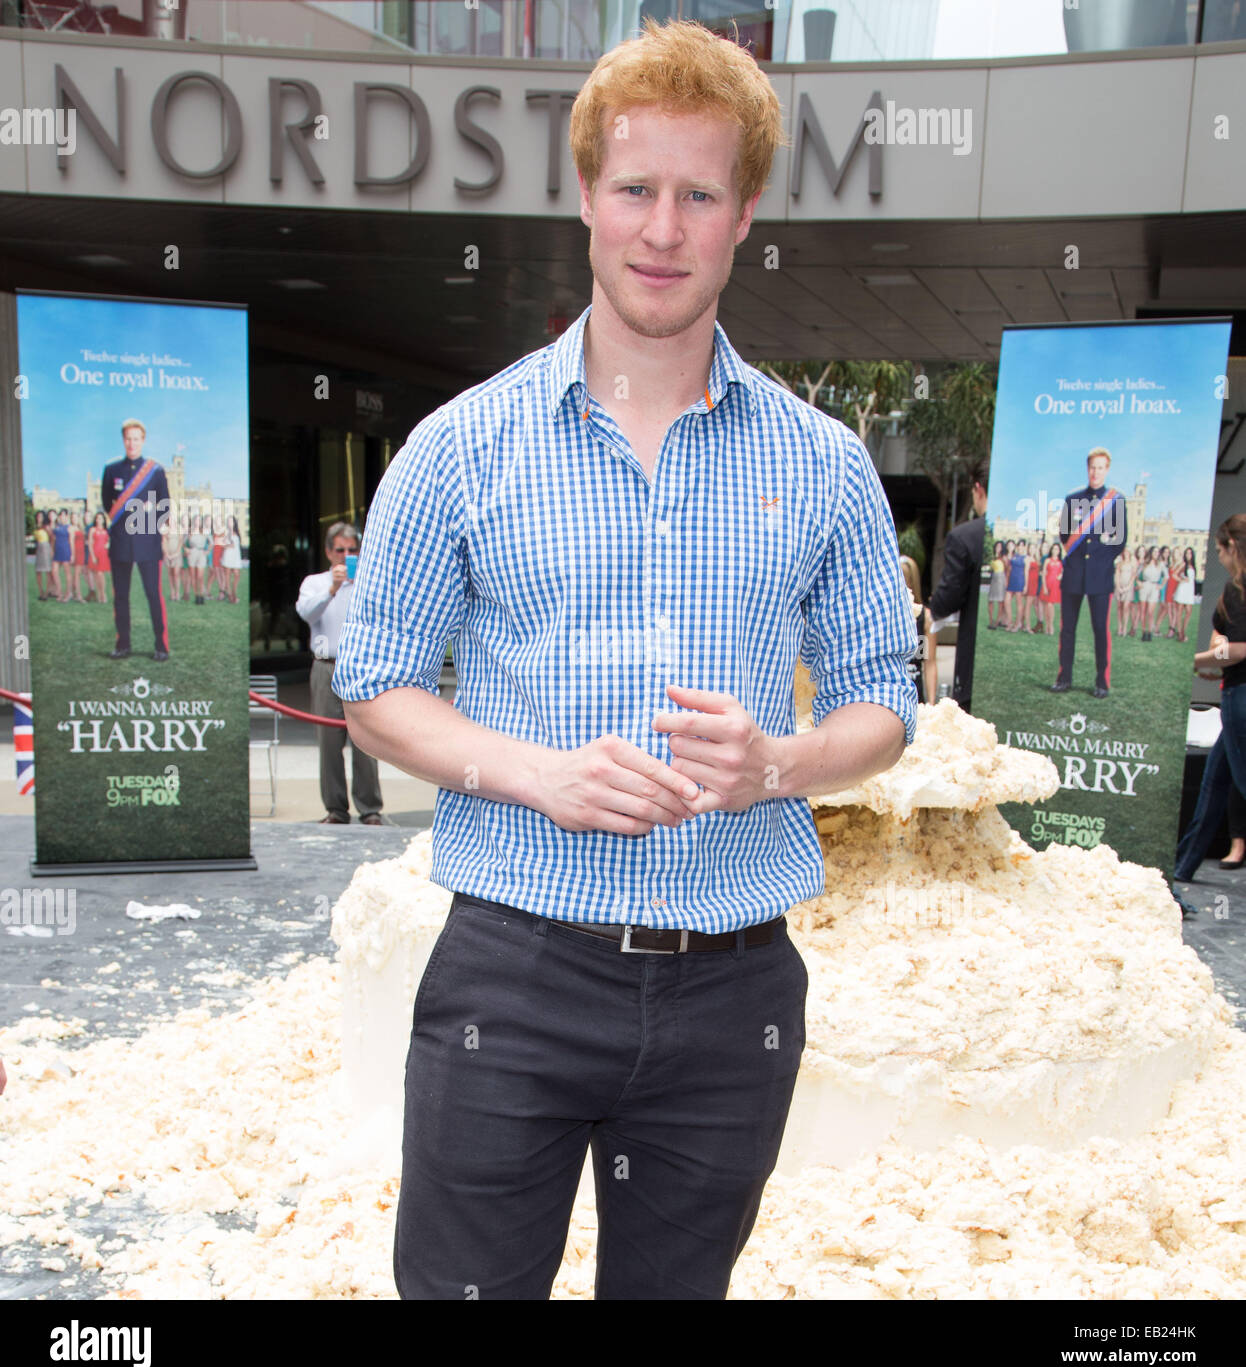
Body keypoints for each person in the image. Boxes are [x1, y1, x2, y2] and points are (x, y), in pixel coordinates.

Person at [333, 17, 918, 1302]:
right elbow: (372, 682)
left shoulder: (821, 465)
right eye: (637, 188)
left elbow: (886, 695)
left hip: (733, 989)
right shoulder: (459, 447)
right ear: (586, 194)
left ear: (744, 212)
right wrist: (533, 775)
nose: (663, 228)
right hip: (515, 976)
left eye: (698, 194)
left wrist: (781, 763)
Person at [1173, 516, 1246, 887]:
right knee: (1215, 783)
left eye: (1220, 550)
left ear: (1233, 546)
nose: (1219, 557)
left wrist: (1197, 661)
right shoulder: (1234, 592)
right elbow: (1224, 637)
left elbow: (1235, 651)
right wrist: (1217, 652)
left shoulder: (1239, 589)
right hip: (1234, 691)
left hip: (1240, 697)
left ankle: (1183, 866)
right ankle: (1183, 866)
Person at [296, 523, 385, 827]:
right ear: (328, 551)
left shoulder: (369, 582)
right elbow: (307, 614)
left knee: (367, 741)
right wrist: (332, 589)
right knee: (329, 742)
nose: (347, 556)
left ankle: (370, 807)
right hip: (326, 664)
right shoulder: (315, 582)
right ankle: (336, 808)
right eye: (341, 550)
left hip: (360, 667)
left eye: (352, 550)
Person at [1050, 446, 1127, 697]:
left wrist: (1100, 562)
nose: (1096, 472)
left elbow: (1119, 541)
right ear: (1087, 468)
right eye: (1092, 467)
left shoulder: (1116, 501)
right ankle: (1064, 678)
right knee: (1067, 630)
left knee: (1100, 631)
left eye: (1101, 467)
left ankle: (1101, 682)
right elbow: (1064, 534)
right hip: (1073, 574)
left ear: (1107, 469)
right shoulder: (1073, 499)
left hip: (1100, 577)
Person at [100, 419, 170, 660]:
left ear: (143, 440)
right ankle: (123, 644)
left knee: (153, 595)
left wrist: (150, 526)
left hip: (148, 543)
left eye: (136, 439)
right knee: (121, 597)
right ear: (123, 440)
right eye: (128, 438)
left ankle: (161, 645)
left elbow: (164, 507)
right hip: (120, 542)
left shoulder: (155, 471)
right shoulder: (111, 471)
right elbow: (107, 502)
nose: (132, 443)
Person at [927, 463, 987, 710]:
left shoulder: (965, 537)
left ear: (977, 489)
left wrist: (933, 606)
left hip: (975, 668)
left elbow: (946, 600)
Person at [899, 553, 937, 705]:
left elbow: (930, 663)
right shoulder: (883, 615)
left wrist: (932, 703)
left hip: (915, 694)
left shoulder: (925, 617)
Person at [87, 510, 111, 605]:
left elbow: (110, 540)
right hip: (95, 553)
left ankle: (103, 594)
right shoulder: (92, 530)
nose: (99, 520)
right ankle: (99, 595)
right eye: (97, 518)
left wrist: (108, 544)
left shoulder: (106, 530)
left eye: (101, 518)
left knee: (101, 575)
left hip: (103, 554)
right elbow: (90, 543)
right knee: (97, 575)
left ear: (103, 520)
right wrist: (92, 556)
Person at [1040, 540, 1063, 635]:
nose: (1055, 550)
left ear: (1059, 551)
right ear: (1051, 550)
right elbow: (1043, 574)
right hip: (1047, 584)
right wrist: (1044, 586)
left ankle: (1051, 625)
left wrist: (1061, 575)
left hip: (1055, 586)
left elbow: (1063, 571)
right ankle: (1046, 626)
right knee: (1046, 606)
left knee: (1050, 605)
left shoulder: (1061, 562)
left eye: (1057, 549)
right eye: (1054, 549)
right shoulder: (1047, 560)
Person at [1174, 547, 1197, 641]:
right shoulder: (1183, 564)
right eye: (1187, 553)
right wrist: (1182, 580)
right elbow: (1174, 574)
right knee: (1179, 612)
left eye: (1190, 553)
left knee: (1188, 611)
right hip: (1182, 589)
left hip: (1190, 591)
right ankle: (1180, 633)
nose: (1188, 555)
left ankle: (1183, 630)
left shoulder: (1193, 566)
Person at [1114, 545, 1137, 637]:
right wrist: (1118, 586)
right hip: (1120, 586)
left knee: (1126, 607)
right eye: (1125, 551)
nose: (1126, 553)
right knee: (1119, 607)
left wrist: (1128, 587)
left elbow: (1133, 576)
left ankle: (1125, 628)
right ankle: (1119, 627)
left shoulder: (1133, 563)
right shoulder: (1120, 563)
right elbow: (1117, 575)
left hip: (1128, 587)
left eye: (1128, 551)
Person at [32, 509, 56, 600]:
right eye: (38, 516)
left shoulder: (46, 527)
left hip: (46, 548)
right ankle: (41, 592)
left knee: (47, 571)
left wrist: (51, 549)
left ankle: (46, 593)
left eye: (41, 516)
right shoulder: (36, 527)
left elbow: (52, 538)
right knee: (38, 571)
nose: (39, 518)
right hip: (39, 549)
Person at [1006, 538, 1028, 631]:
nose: (1020, 547)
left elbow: (1026, 572)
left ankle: (1017, 624)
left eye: (1022, 545)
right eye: (1019, 545)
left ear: (1024, 547)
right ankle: (1010, 622)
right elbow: (1008, 567)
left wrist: (1025, 585)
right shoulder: (1014, 556)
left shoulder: (1026, 558)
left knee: (1019, 604)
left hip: (1020, 581)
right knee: (1006, 601)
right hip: (1011, 581)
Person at [222, 515, 243, 603]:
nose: (230, 523)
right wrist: (228, 545)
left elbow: (237, 545)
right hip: (228, 556)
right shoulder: (226, 532)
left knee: (237, 575)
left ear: (234, 523)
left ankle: (234, 593)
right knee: (227, 577)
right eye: (229, 521)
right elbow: (224, 544)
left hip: (236, 556)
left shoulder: (237, 532)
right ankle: (231, 596)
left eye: (232, 521)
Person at [51, 508, 71, 602]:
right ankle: (59, 592)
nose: (62, 517)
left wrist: (73, 554)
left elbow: (71, 541)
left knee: (67, 574)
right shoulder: (56, 527)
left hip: (66, 551)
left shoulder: (69, 527)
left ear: (67, 516)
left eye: (64, 515)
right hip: (57, 552)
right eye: (61, 515)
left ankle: (68, 593)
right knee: (54, 571)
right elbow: (53, 539)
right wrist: (52, 550)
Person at [987, 540, 1007, 629]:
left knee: (1000, 601)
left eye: (1000, 546)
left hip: (1001, 579)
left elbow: (1007, 569)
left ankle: (997, 621)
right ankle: (991, 620)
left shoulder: (1003, 557)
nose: (998, 548)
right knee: (990, 600)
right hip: (994, 578)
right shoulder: (993, 557)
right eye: (997, 546)